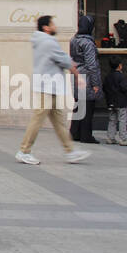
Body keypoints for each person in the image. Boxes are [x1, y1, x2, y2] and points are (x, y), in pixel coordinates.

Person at [16, 15, 90, 165]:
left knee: (58, 120)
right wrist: (78, 77)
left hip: (51, 86)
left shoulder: (41, 41)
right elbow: (65, 61)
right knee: (38, 118)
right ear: (46, 27)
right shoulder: (48, 42)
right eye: (52, 24)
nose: (55, 26)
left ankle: (70, 151)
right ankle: (24, 151)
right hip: (47, 86)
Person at [68, 14, 101, 144]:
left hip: (76, 76)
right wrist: (96, 83)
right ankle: (86, 135)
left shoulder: (74, 40)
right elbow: (91, 64)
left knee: (78, 105)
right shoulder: (88, 43)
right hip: (86, 77)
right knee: (88, 107)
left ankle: (75, 133)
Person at [103, 58, 127, 146]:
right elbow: (124, 88)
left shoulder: (108, 76)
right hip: (121, 102)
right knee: (122, 120)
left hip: (111, 101)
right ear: (119, 66)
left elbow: (104, 88)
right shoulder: (120, 76)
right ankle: (123, 139)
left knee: (112, 119)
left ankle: (110, 138)